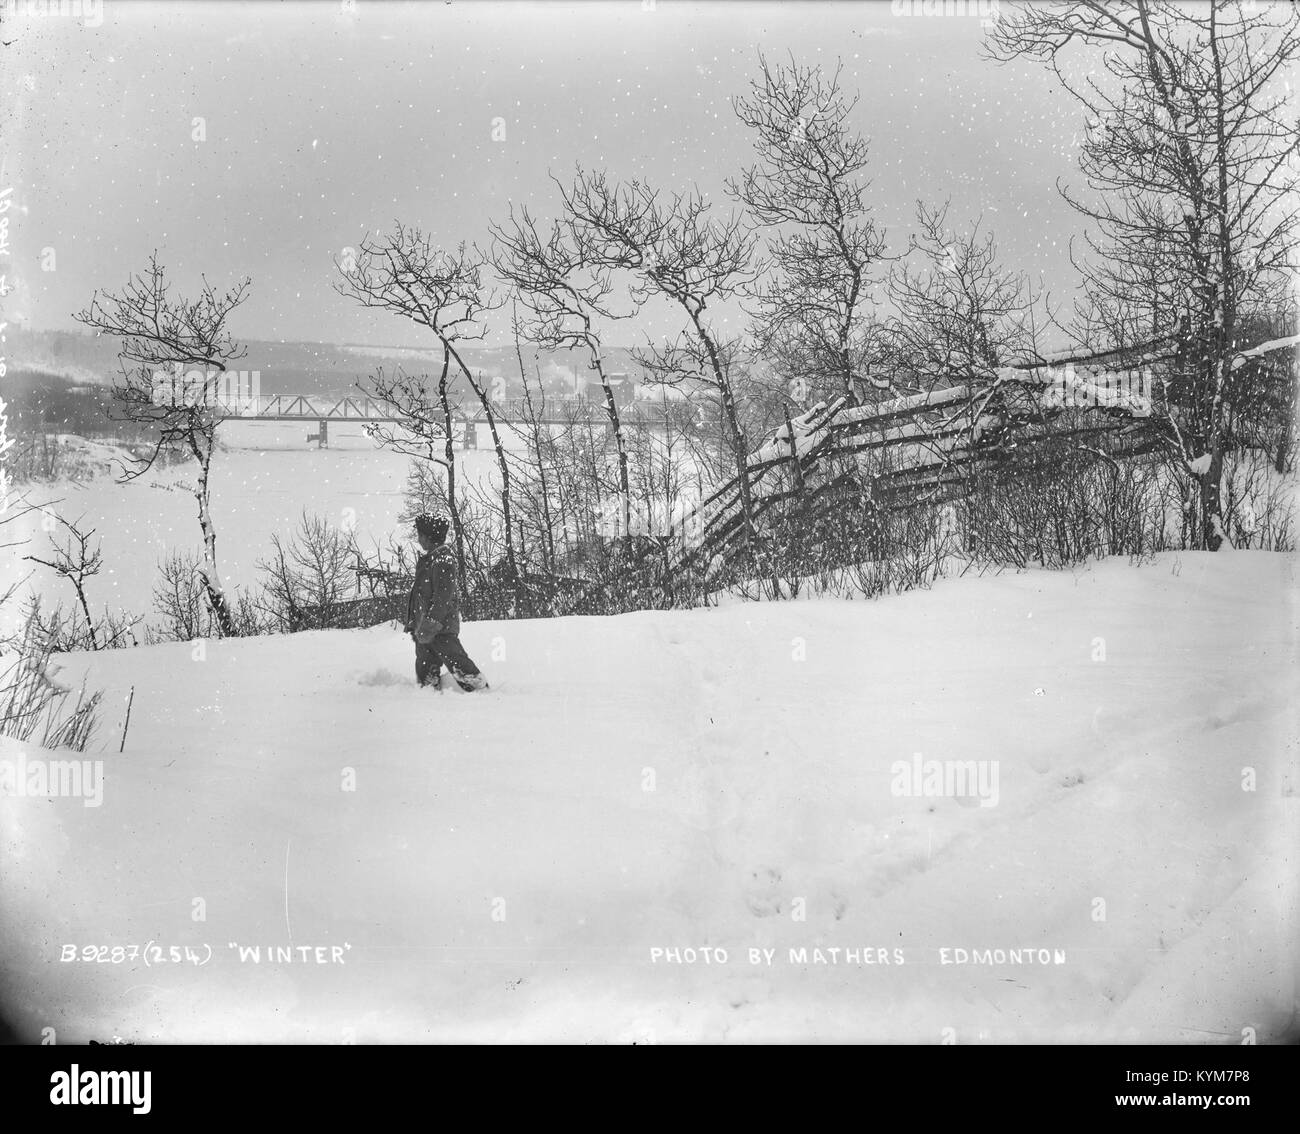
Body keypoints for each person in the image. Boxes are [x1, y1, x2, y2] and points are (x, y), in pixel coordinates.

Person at [404, 513, 488, 691]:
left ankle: (477, 687)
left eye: (419, 535)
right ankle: (429, 691)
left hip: (439, 626)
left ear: (427, 538)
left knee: (455, 658)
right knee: (425, 664)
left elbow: (443, 596)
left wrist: (433, 621)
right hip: (425, 626)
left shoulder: (443, 560)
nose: (418, 539)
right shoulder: (431, 559)